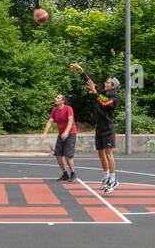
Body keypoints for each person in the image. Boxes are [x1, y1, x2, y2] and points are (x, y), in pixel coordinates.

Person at [69, 63, 120, 192]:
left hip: (108, 128)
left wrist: (95, 92)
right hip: (99, 127)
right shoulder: (102, 92)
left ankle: (113, 180)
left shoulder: (114, 98)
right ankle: (106, 177)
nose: (105, 83)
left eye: (108, 82)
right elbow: (91, 84)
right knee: (101, 153)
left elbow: (104, 102)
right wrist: (81, 72)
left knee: (108, 153)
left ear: (113, 86)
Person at [42, 93, 77, 181]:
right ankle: (65, 174)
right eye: (56, 97)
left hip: (70, 134)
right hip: (61, 135)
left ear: (62, 101)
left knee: (68, 156)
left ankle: (73, 174)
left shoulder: (68, 108)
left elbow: (70, 120)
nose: (56, 99)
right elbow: (50, 121)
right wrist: (45, 133)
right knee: (58, 155)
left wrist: (66, 132)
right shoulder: (54, 110)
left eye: (58, 98)